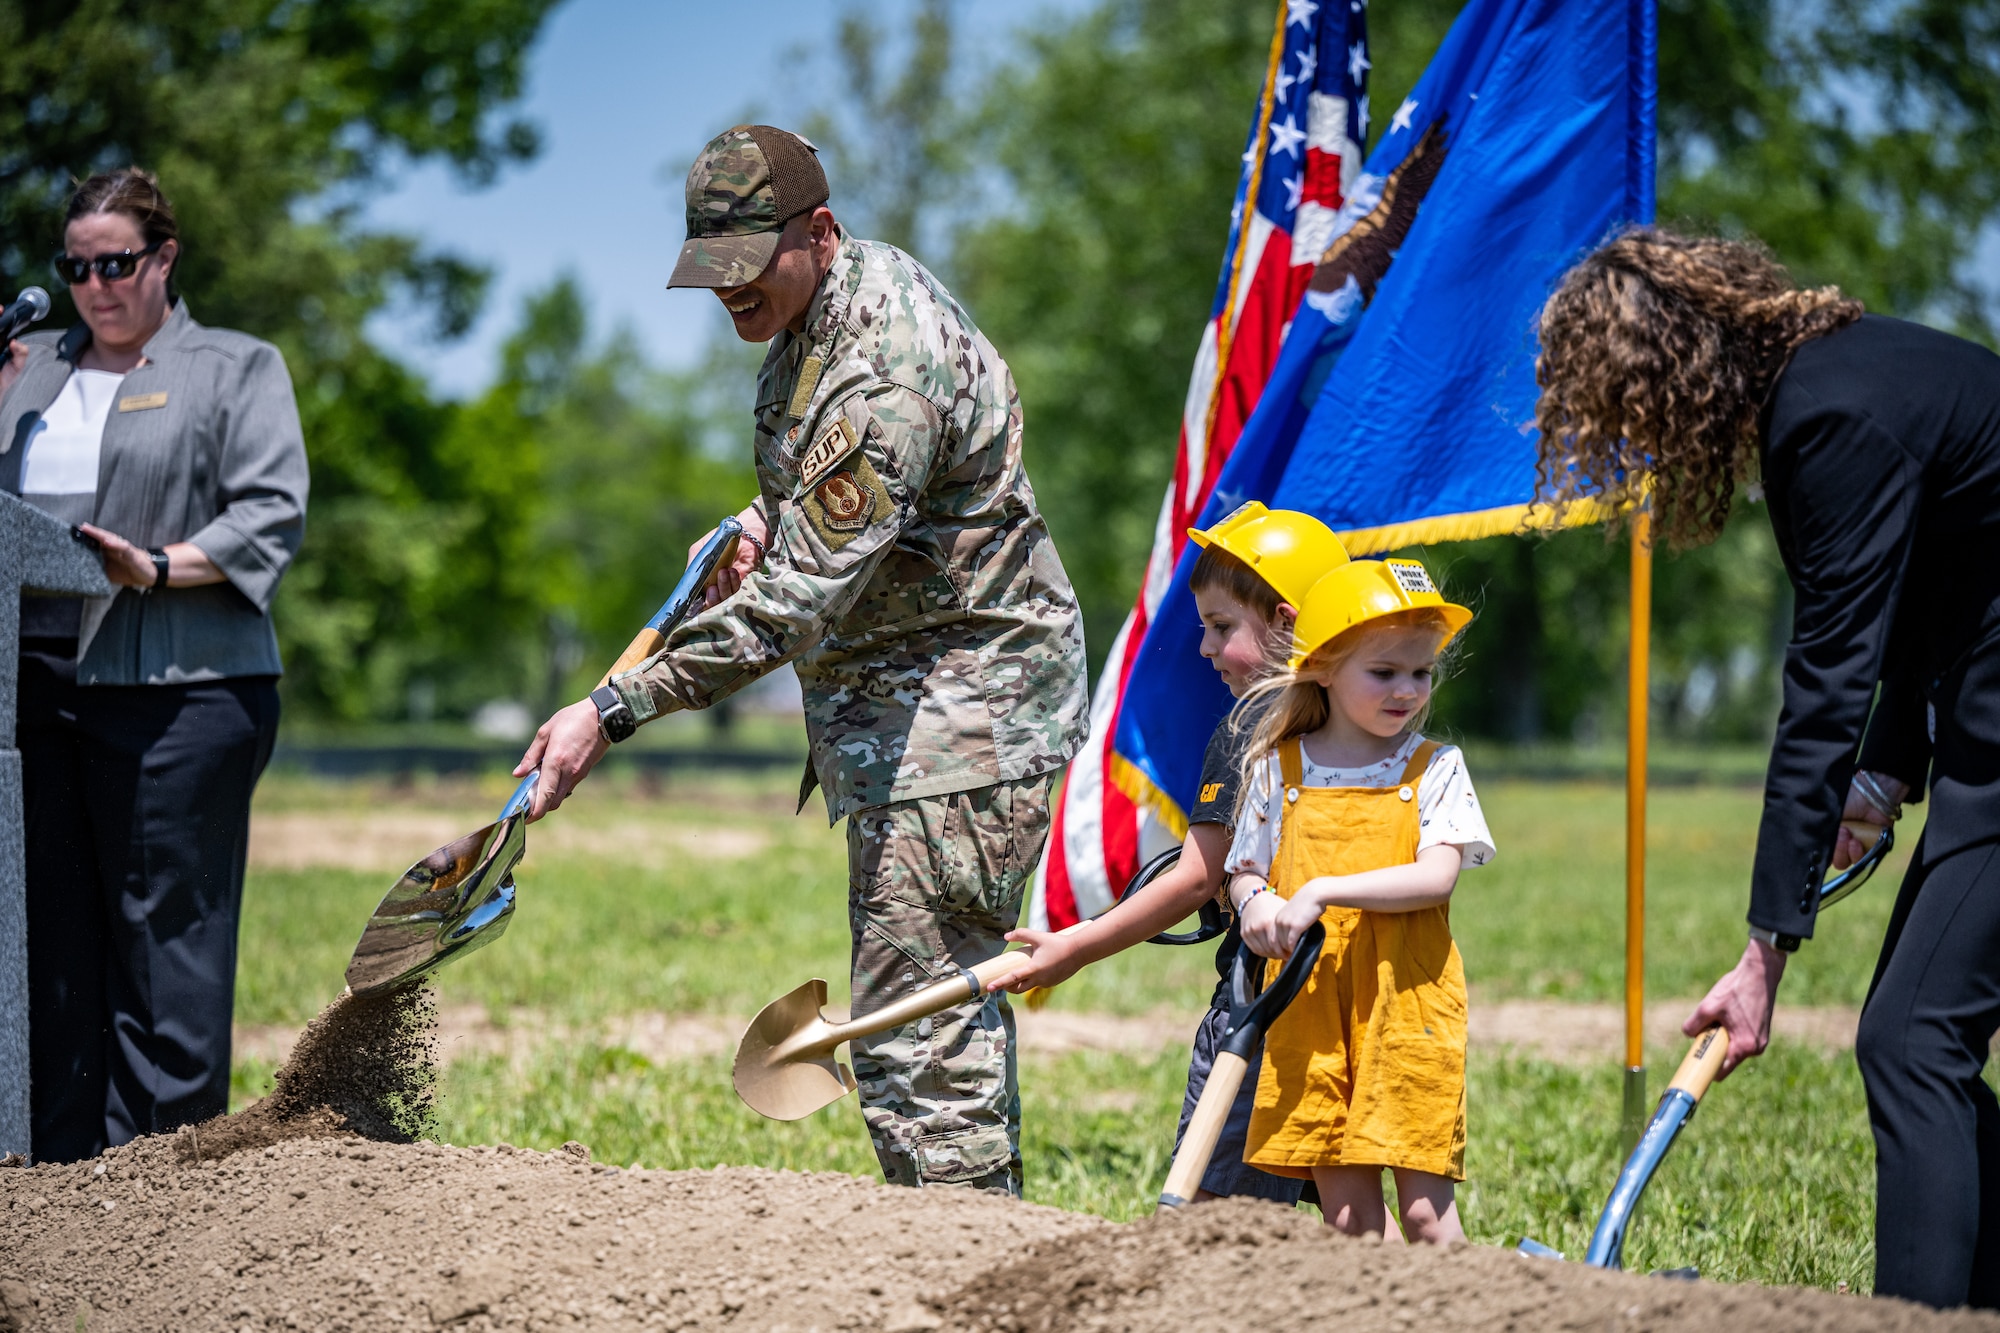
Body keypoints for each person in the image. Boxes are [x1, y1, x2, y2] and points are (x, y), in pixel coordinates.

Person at [516, 125, 1087, 1195]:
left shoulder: (881, 362)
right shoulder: (816, 317)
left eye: (746, 268)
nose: (729, 295)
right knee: (911, 1014)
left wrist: (609, 707)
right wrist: (764, 518)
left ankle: (978, 1266)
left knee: (920, 1033)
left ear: (816, 231)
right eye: (712, 273)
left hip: (962, 715)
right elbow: (830, 512)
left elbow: (792, 606)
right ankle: (955, 1254)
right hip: (906, 711)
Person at [1535, 226, 2000, 1307]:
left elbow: (1824, 683)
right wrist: (1882, 778)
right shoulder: (1854, 366)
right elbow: (1936, 605)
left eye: (1616, 413)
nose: (1626, 442)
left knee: (1912, 1044)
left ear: (1659, 380)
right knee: (1919, 1040)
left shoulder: (1827, 421)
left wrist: (1763, 952)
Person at [0, 169, 307, 1163]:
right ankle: (55, 1188)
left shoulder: (234, 367)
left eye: (117, 263)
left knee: (160, 952)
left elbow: (271, 512)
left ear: (164, 259)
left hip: (183, 695)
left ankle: (164, 1189)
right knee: (51, 953)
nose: (96, 285)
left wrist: (161, 566)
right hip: (36, 698)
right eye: (77, 267)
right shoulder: (25, 370)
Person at [997, 503, 1346, 1207]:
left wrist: (1075, 946)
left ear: (1285, 620)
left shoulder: (1251, 726)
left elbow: (1195, 878)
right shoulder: (1366, 735)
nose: (1204, 648)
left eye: (1221, 627)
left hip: (1263, 1007)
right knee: (1356, 1213)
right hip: (1354, 1003)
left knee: (1212, 1216)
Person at [1225, 556, 1492, 1244]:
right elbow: (1246, 869)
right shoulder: (1276, 768)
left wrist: (1322, 889)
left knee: (1426, 1214)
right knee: (1346, 1221)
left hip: (1403, 1005)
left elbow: (1437, 877)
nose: (1408, 689)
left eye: (1421, 672)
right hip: (1309, 1007)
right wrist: (1254, 903)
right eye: (1385, 672)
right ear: (1322, 668)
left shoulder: (1435, 767)